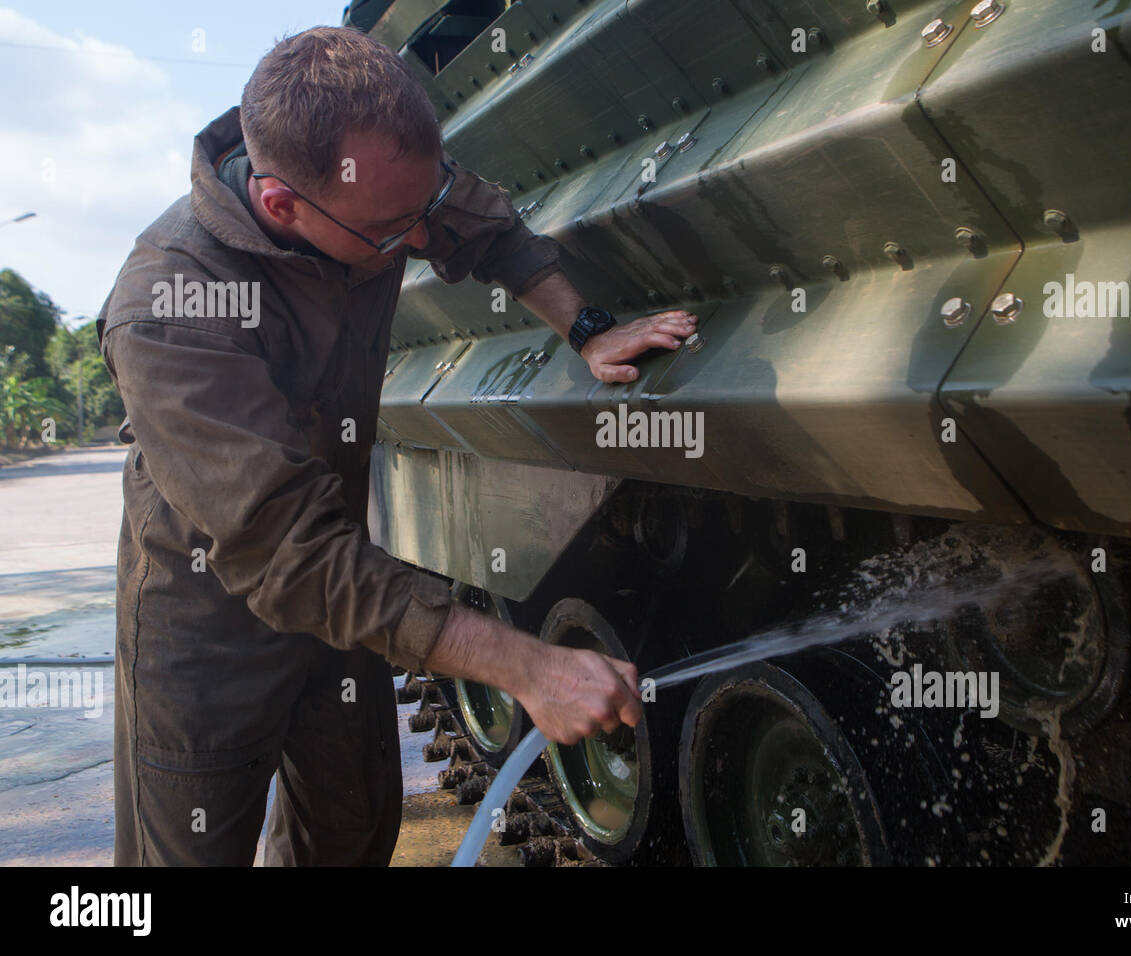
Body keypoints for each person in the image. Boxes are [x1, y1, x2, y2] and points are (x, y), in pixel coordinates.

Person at [97, 25, 698, 865]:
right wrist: (526, 668)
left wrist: (586, 329)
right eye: (391, 233)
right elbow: (283, 553)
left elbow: (486, 230)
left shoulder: (382, 187)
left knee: (352, 828)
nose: (419, 242)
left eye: (426, 208)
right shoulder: (169, 306)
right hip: (208, 619)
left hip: (341, 579)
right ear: (281, 207)